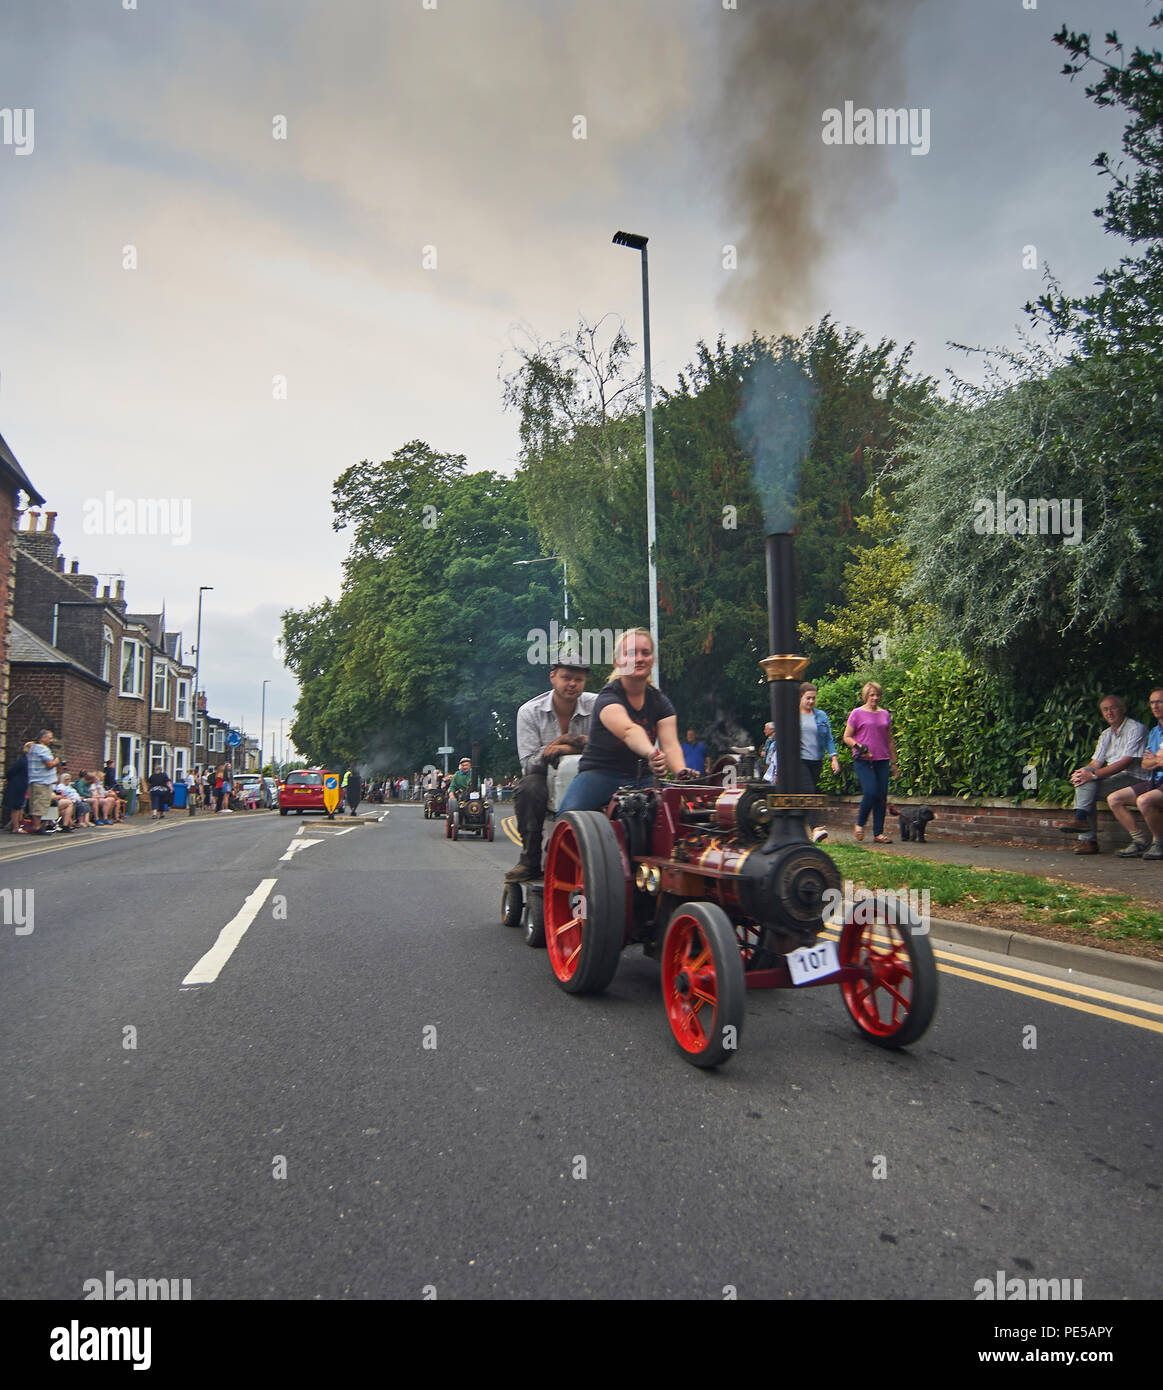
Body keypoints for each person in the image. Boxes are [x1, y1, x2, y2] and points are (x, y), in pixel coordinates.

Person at [556, 628, 686, 815]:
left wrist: (682, 773)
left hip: (643, 778)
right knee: (567, 818)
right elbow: (628, 731)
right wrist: (652, 753)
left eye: (645, 653)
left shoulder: (660, 701)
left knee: (681, 816)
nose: (639, 658)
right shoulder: (608, 697)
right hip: (600, 775)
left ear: (653, 660)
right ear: (617, 661)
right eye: (631, 653)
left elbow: (672, 745)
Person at [507, 653, 597, 882]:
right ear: (552, 677)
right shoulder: (529, 712)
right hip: (544, 780)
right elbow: (529, 763)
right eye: (566, 678)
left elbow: (605, 748)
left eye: (579, 680)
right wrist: (572, 742)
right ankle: (530, 859)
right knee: (528, 787)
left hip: (589, 774)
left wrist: (565, 745)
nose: (572, 684)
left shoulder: (598, 706)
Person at [1055, 694, 1146, 855]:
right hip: (1116, 778)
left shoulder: (1135, 728)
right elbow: (1095, 763)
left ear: (1123, 709)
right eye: (1105, 710)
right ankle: (1083, 825)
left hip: (1136, 778)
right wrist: (1081, 774)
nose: (1109, 712)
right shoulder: (1106, 734)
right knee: (1085, 779)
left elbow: (1126, 762)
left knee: (1088, 786)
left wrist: (1093, 776)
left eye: (1113, 708)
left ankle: (1087, 836)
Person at [1108, 687, 1163, 859]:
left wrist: (1155, 760)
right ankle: (1140, 841)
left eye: (1160, 701)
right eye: (1152, 702)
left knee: (1144, 800)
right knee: (1114, 799)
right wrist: (1157, 760)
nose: (1155, 706)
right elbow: (1145, 764)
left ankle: (1159, 843)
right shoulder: (1155, 732)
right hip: (1155, 780)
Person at [843, 681, 898, 844]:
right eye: (871, 695)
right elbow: (847, 737)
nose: (875, 698)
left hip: (882, 759)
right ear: (865, 696)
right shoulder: (857, 713)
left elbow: (889, 739)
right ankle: (860, 824)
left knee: (881, 796)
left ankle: (878, 833)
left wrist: (894, 763)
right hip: (863, 760)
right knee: (871, 791)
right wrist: (860, 747)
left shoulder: (885, 714)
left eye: (877, 695)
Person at [800, 682, 841, 843]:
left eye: (813, 698)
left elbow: (829, 739)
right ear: (800, 698)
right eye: (808, 698)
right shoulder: (793, 716)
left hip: (816, 759)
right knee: (809, 791)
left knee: (811, 793)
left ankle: (800, 826)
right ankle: (815, 828)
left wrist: (834, 759)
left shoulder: (821, 716)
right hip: (800, 760)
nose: (811, 701)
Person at [26, 729, 61, 834]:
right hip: (42, 781)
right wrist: (56, 761)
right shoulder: (43, 749)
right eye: (49, 738)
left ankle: (39, 827)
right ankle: (37, 828)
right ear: (43, 738)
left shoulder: (33, 748)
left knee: (37, 804)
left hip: (35, 780)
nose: (51, 740)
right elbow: (49, 764)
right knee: (40, 805)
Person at [2, 740, 31, 834]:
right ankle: (15, 827)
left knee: (21, 807)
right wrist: (8, 779)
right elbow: (11, 771)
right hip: (18, 786)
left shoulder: (28, 760)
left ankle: (18, 826)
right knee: (16, 807)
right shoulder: (23, 761)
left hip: (23, 786)